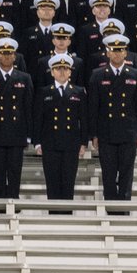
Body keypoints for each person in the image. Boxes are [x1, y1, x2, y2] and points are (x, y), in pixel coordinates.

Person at [88, 34, 137, 216]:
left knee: (126, 173)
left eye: (120, 50)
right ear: (107, 53)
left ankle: (123, 209)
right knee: (108, 172)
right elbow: (93, 108)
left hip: (128, 132)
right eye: (113, 50)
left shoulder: (135, 75)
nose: (117, 54)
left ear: (125, 53)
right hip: (106, 133)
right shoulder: (97, 75)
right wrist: (94, 135)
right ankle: (111, 209)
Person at [0, 38, 33, 202]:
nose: (7, 56)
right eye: (3, 53)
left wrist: (28, 135)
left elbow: (28, 108)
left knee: (15, 172)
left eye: (10, 53)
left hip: (17, 133)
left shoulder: (24, 78)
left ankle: (13, 203)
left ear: (15, 56)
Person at [32, 54, 88, 214]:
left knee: (68, 181)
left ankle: (67, 216)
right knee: (52, 181)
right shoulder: (44, 92)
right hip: (50, 144)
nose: (62, 72)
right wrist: (37, 142)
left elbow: (84, 119)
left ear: (70, 72)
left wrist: (83, 142)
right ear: (51, 72)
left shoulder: (78, 92)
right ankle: (54, 216)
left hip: (71, 144)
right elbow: (38, 118)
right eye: (58, 69)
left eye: (65, 69)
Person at [19, 0, 61, 81]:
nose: (46, 11)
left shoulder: (60, 34)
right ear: (37, 12)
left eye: (50, 9)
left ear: (54, 13)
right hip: (34, 76)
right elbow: (23, 58)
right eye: (43, 9)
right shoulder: (28, 33)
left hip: (55, 77)